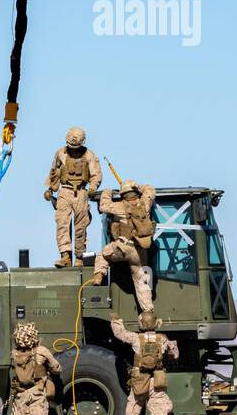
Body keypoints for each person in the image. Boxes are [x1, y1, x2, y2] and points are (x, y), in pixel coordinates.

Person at [110, 310, 179, 415]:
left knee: (132, 413)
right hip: (157, 380)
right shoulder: (162, 339)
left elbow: (120, 334)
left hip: (139, 380)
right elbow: (175, 354)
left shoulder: (135, 338)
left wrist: (116, 320)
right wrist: (172, 346)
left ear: (141, 323)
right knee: (160, 414)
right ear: (156, 323)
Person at [91, 179, 156, 311]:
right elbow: (150, 189)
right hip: (140, 252)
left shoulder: (119, 207)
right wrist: (138, 186)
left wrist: (107, 191)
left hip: (123, 248)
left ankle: (99, 275)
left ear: (123, 195)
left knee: (103, 255)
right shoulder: (145, 204)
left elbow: (103, 205)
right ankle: (148, 311)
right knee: (142, 282)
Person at [44, 127, 102, 268]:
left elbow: (96, 174)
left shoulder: (89, 155)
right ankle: (65, 256)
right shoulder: (61, 153)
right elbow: (55, 172)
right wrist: (51, 188)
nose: (74, 150)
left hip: (82, 192)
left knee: (81, 226)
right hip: (65, 192)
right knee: (62, 223)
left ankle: (80, 257)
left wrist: (93, 188)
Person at [10, 322, 62, 415]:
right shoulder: (41, 351)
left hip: (21, 393)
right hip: (37, 391)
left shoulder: (14, 353)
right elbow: (57, 368)